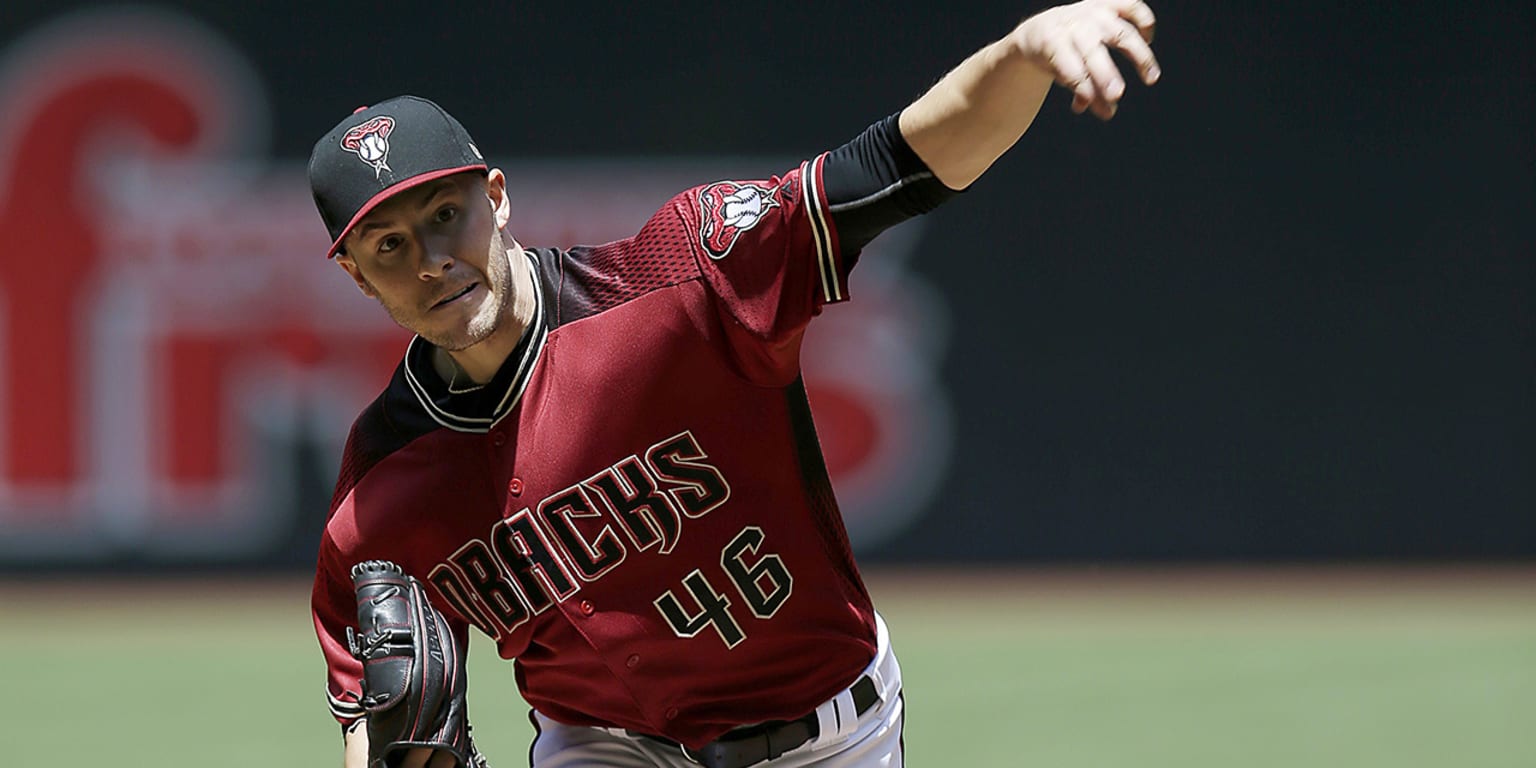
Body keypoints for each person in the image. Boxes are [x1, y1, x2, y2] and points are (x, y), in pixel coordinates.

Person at [307, 2, 1159, 766]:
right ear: (355, 274)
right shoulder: (384, 488)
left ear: (496, 198)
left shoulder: (679, 285)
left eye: (443, 216)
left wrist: (1022, 51)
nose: (431, 261)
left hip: (826, 737)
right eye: (390, 246)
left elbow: (897, 165)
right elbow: (377, 714)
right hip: (603, 748)